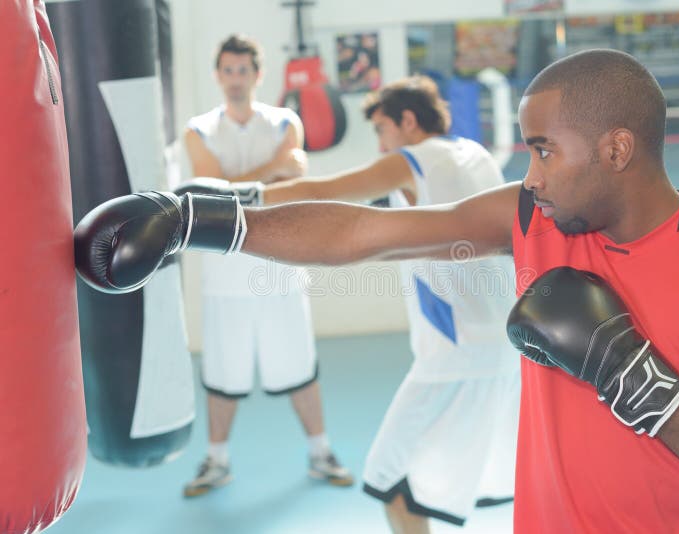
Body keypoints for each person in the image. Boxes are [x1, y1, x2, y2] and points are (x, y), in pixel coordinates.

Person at [74, 49, 679, 533]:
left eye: (544, 150)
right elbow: (364, 233)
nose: (532, 174)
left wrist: (629, 376)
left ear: (616, 148)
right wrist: (197, 219)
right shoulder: (532, 215)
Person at [180, 75, 521, 533]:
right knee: (414, 488)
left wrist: (228, 201)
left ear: (407, 120)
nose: (381, 146)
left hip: (452, 358)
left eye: (381, 130)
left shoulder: (413, 158)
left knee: (391, 483)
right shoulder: (474, 153)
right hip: (505, 349)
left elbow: (326, 190)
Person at [180, 34, 353, 498]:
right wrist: (271, 171)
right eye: (228, 71)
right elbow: (208, 191)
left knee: (300, 368)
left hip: (281, 264)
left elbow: (294, 183)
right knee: (222, 375)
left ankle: (321, 451)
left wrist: (242, 180)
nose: (236, 80)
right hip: (224, 272)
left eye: (244, 71)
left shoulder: (284, 121)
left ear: (258, 75)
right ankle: (216, 461)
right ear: (218, 75)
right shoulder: (198, 129)